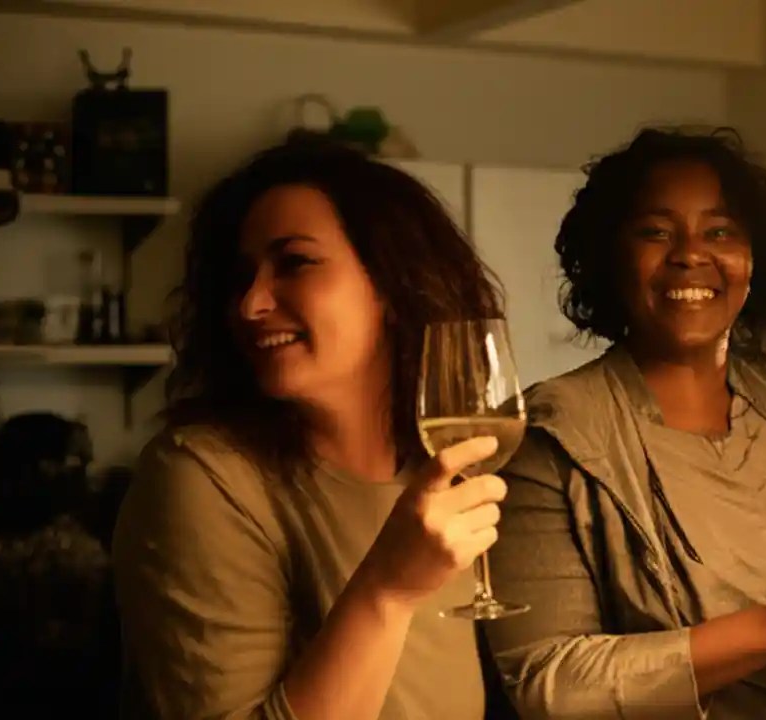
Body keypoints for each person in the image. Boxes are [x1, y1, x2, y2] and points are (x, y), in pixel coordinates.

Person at [485, 127, 766, 719]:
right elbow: (546, 684)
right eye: (656, 232)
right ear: (610, 255)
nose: (690, 252)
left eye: (719, 231)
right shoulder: (551, 433)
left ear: (753, 256)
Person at [113, 138, 512, 719]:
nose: (250, 303)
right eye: (241, 276)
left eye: (294, 262)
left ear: (393, 286)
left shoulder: (442, 467)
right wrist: (388, 589)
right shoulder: (202, 476)